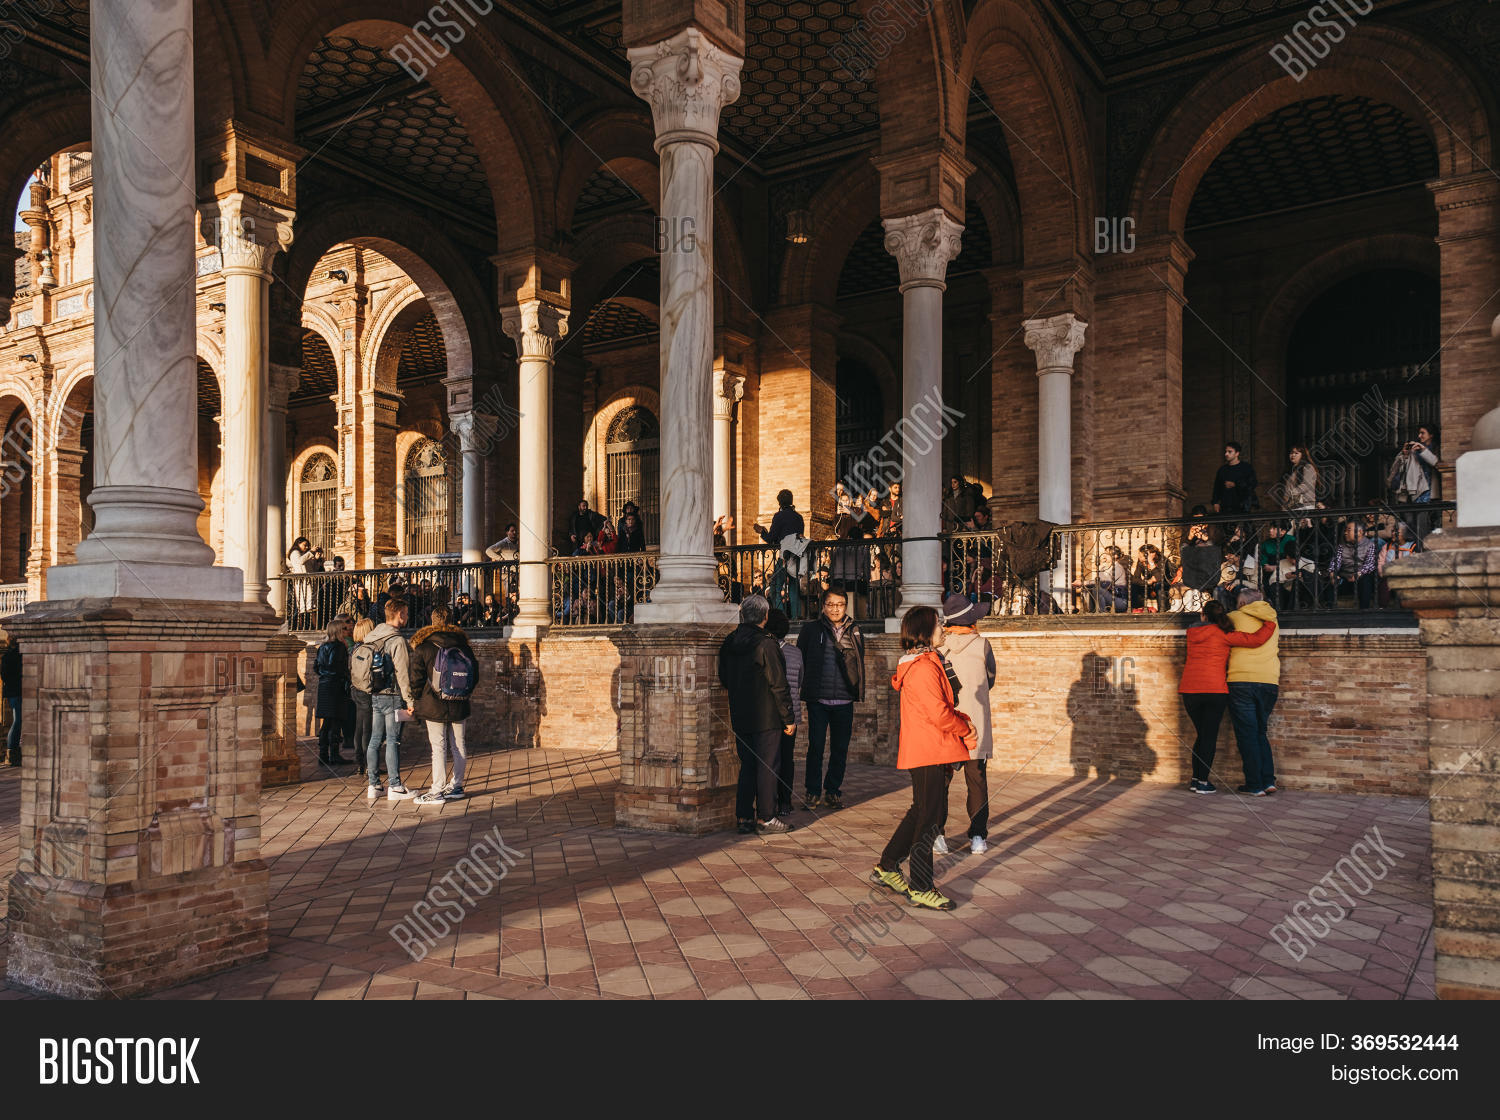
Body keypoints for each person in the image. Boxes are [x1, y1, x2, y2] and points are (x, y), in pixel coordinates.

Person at [871, 605, 975, 912]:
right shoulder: (924, 667)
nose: (943, 629)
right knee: (930, 818)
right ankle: (921, 886)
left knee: (921, 812)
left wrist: (961, 722)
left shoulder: (925, 662)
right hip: (930, 748)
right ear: (925, 632)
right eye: (938, 625)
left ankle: (888, 866)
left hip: (930, 747)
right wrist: (964, 728)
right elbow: (938, 713)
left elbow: (940, 708)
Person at [1179, 600, 1276, 793]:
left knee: (1201, 735)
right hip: (1214, 690)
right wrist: (1270, 624)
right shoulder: (1224, 634)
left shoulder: (1191, 633)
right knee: (1208, 737)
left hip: (1189, 690)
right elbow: (1255, 640)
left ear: (1203, 616)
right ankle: (1203, 783)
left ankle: (1196, 779)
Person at [717, 595, 796, 835]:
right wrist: (788, 718)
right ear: (765, 616)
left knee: (749, 765)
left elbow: (724, 677)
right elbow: (779, 684)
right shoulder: (766, 644)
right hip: (767, 715)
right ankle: (766, 817)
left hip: (741, 712)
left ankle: (744, 816)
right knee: (768, 766)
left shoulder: (730, 641)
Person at [935, 594, 994, 855]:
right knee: (977, 780)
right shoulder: (982, 645)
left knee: (941, 782)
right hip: (974, 722)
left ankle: (937, 834)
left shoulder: (939, 648)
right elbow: (990, 680)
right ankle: (978, 836)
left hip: (947, 721)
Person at [796, 585, 864, 809]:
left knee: (840, 749)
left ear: (846, 606)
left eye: (840, 605)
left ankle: (833, 791)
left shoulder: (854, 630)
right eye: (831, 604)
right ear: (823, 606)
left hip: (844, 700)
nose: (835, 609)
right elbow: (801, 659)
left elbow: (858, 662)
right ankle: (812, 791)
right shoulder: (811, 630)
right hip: (818, 700)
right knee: (815, 747)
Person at [409, 604, 480, 805]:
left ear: (432, 621)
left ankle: (437, 790)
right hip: (460, 702)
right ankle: (457, 786)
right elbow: (474, 675)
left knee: (438, 747)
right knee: (459, 745)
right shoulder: (464, 646)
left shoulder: (424, 647)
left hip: (433, 703)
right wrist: (463, 692)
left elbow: (416, 678)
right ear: (451, 620)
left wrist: (416, 698)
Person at [356, 597, 419, 801]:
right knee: (393, 740)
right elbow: (402, 673)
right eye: (406, 613)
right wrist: (410, 701)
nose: (407, 617)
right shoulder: (397, 640)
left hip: (374, 693)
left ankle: (374, 785)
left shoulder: (372, 636)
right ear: (399, 614)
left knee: (375, 739)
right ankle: (395, 786)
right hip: (392, 695)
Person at [1226, 588, 1281, 795]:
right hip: (1269, 681)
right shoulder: (1272, 619)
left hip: (1241, 679)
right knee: (1260, 732)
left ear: (1241, 604)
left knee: (1247, 735)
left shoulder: (1233, 617)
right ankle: (1268, 780)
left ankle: (1254, 784)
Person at [766, 608, 802, 819]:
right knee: (787, 759)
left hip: (770, 715)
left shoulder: (762, 650)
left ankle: (769, 802)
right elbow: (799, 681)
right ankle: (785, 801)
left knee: (770, 760)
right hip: (792, 713)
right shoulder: (796, 653)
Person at [754, 490, 806, 619]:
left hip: (784, 557)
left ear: (779, 502)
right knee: (793, 588)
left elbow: (771, 539)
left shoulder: (779, 516)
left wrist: (761, 531)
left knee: (775, 588)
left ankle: (780, 617)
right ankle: (796, 617)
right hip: (796, 556)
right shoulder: (798, 517)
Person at [313, 619, 351, 765]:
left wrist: (325, 676)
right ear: (338, 630)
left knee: (327, 722)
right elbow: (337, 667)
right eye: (344, 628)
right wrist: (346, 678)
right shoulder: (339, 647)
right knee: (335, 721)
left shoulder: (322, 647)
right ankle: (334, 755)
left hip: (324, 685)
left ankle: (323, 755)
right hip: (335, 686)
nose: (347, 630)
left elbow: (317, 667)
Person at [349, 618, 377, 780]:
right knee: (368, 729)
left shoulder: (353, 649)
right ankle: (368, 765)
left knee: (359, 727)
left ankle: (360, 762)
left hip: (355, 689)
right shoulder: (370, 648)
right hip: (367, 691)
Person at [1178, 519, 1222, 612]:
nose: (1199, 525)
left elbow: (1215, 550)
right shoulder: (1192, 551)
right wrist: (1190, 536)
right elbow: (1183, 549)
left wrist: (1206, 539)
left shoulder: (1211, 544)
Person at [1211, 442, 1258, 514]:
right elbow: (1217, 487)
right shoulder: (1222, 469)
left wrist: (1235, 484)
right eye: (1226, 451)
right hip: (1225, 506)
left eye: (1229, 452)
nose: (1226, 454)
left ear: (1237, 453)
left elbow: (1253, 484)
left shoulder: (1246, 467)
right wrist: (1215, 502)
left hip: (1243, 506)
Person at [2, 637, 20, 766]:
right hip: (16, 692)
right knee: (18, 721)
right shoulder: (15, 655)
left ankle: (13, 751)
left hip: (12, 692)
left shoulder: (7, 656)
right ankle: (11, 751)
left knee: (18, 721)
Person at [1282, 446, 1319, 510]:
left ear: (1303, 455)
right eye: (1291, 453)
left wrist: (1293, 492)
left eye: (1296, 453)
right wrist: (1285, 503)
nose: (1293, 455)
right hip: (1293, 505)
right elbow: (1287, 489)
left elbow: (1307, 485)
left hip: (1305, 505)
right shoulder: (1291, 471)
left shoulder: (1308, 467)